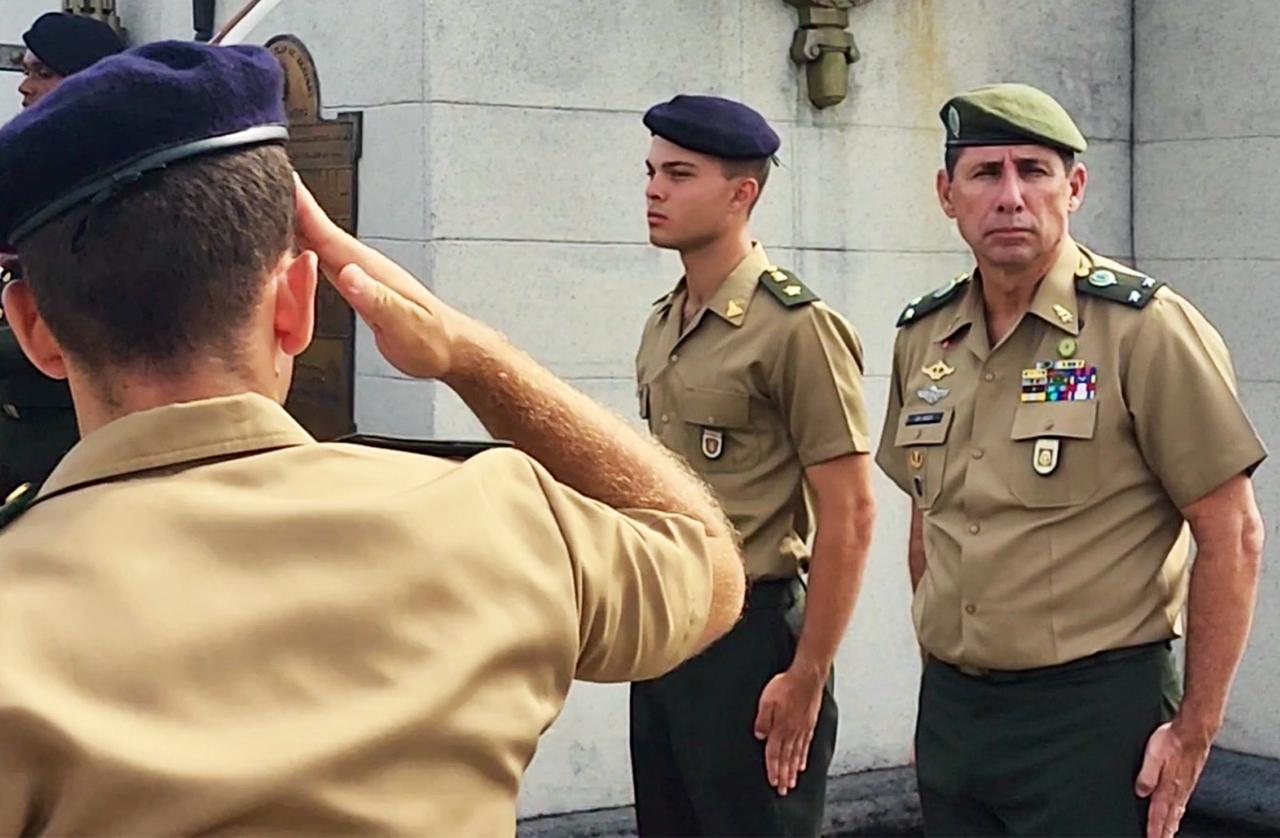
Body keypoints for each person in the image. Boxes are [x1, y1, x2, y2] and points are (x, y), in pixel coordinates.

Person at [0, 41, 746, 834]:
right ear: (296, 302)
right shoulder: (500, 524)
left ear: (35, 330)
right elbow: (710, 564)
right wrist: (465, 352)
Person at [875, 82, 1267, 838]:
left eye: (1035, 170)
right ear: (946, 194)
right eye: (986, 174)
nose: (1011, 196)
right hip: (957, 716)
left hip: (1092, 721)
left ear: (1075, 187)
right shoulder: (924, 337)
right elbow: (929, 517)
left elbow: (1233, 534)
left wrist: (1195, 730)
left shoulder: (1144, 329)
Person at [631, 94, 876, 836]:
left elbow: (851, 513)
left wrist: (806, 675)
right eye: (650, 171)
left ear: (742, 194)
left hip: (754, 639)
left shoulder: (796, 330)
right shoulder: (665, 322)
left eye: (678, 173)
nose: (652, 189)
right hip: (670, 632)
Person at [1, 11, 124, 499]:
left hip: (74, 431)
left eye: (42, 72)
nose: (24, 87)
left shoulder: (114, 181)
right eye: (25, 69)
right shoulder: (41, 169)